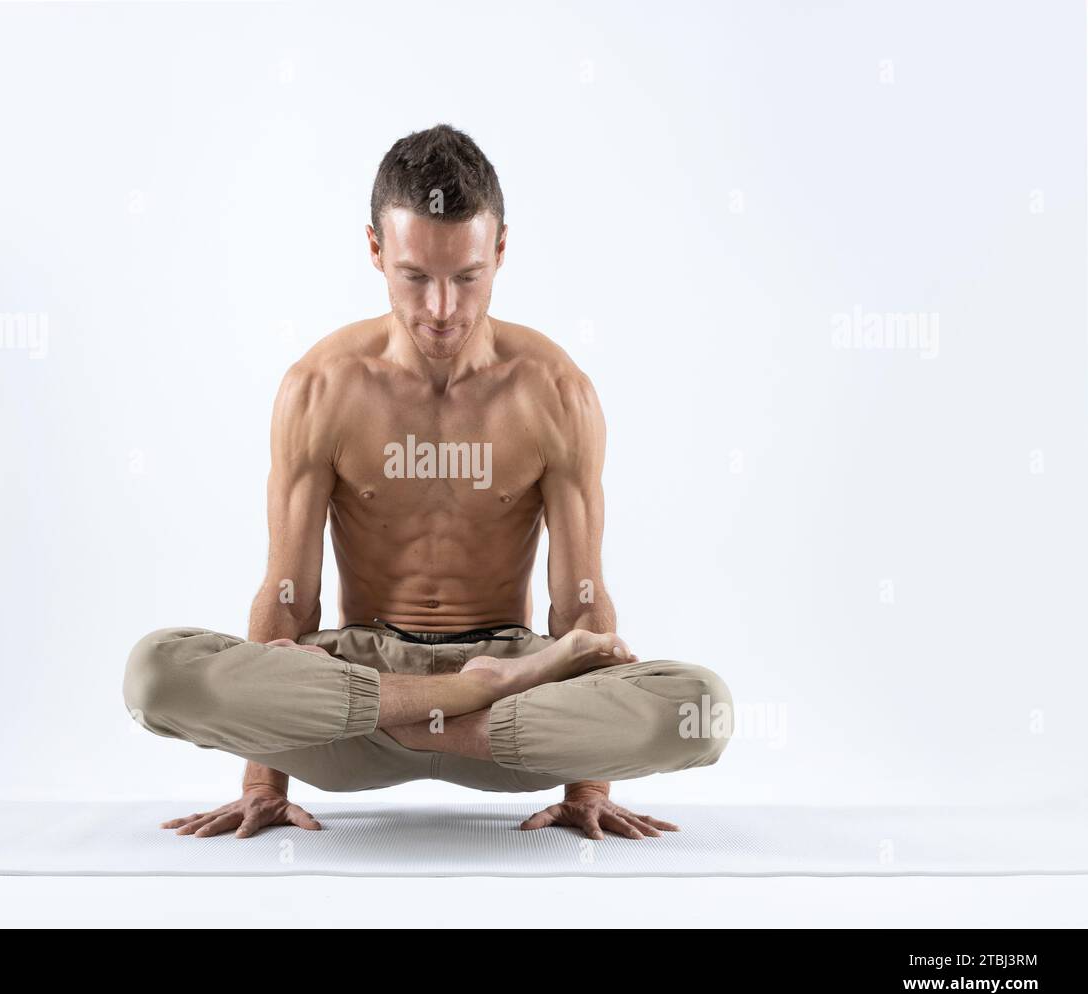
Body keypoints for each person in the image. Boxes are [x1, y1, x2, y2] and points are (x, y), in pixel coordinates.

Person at [124, 124, 733, 841]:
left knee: (704, 708)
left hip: (517, 709)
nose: (442, 309)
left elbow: (581, 604)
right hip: (355, 707)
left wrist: (587, 784)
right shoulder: (320, 387)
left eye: (466, 277)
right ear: (376, 251)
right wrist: (263, 781)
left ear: (500, 250)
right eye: (415, 277)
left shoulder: (555, 391)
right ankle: (453, 700)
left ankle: (459, 707)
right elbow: (289, 595)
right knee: (156, 675)